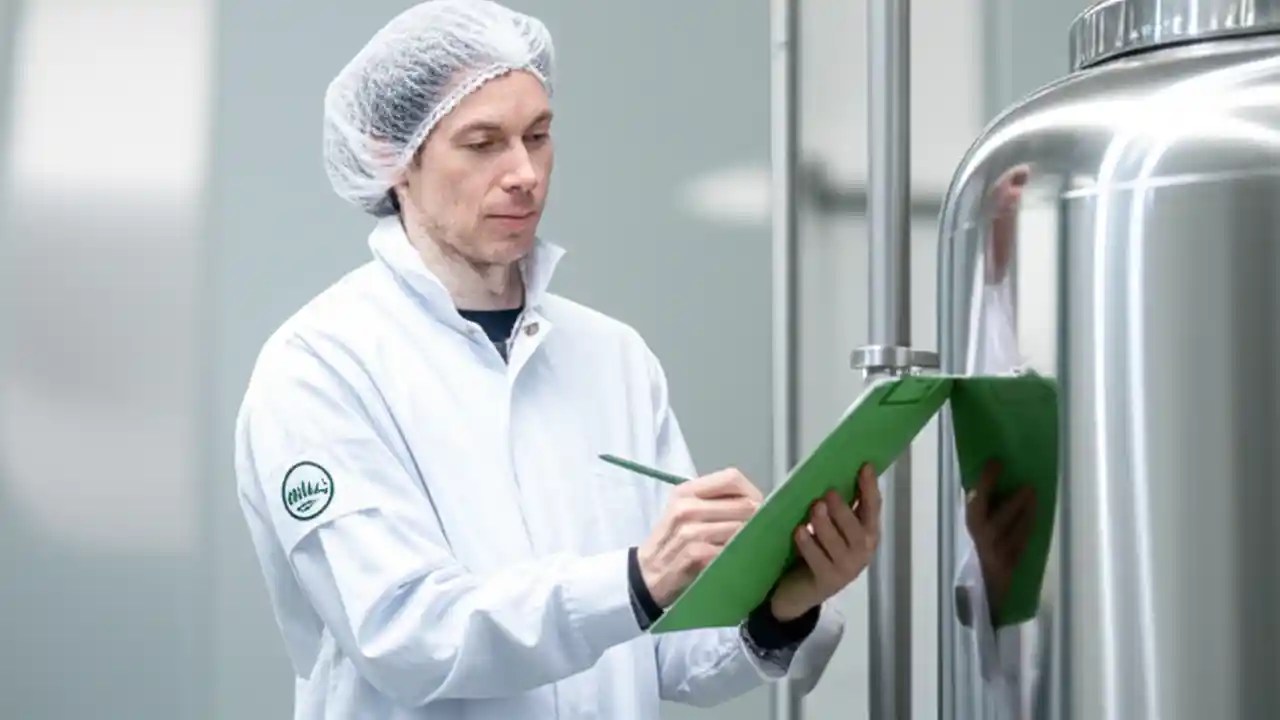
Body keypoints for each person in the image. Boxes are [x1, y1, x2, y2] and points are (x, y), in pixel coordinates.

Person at [233, 2, 880, 718]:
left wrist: (782, 604)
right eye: (482, 143)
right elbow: (405, 635)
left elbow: (667, 652)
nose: (524, 174)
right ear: (392, 157)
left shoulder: (615, 359)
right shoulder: (322, 366)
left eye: (537, 136)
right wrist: (636, 579)